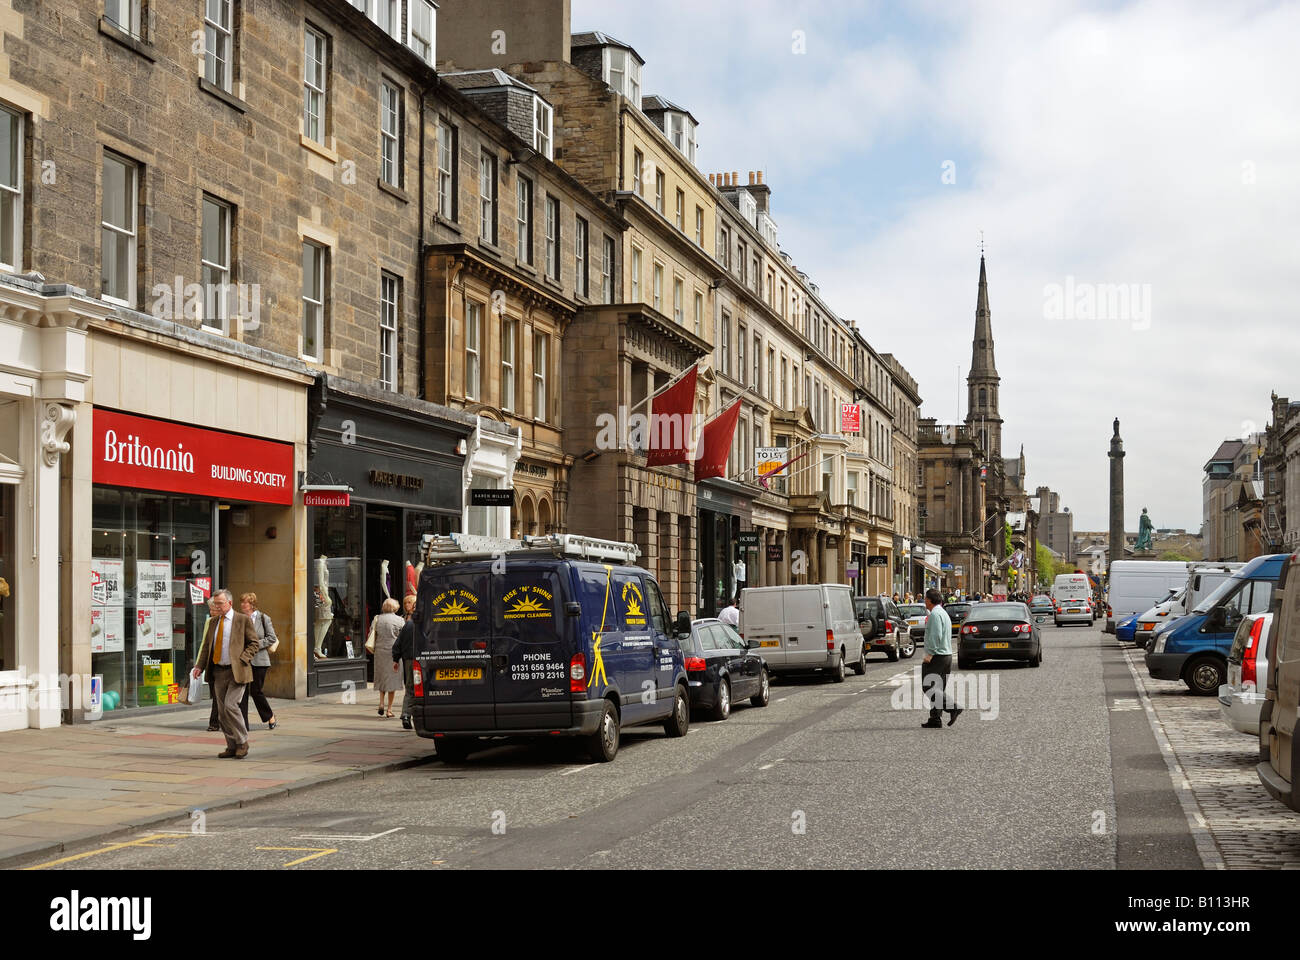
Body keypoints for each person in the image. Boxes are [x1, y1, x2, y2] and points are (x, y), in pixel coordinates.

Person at [192, 589, 260, 758]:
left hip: (237, 670)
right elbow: (207, 647)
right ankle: (231, 746)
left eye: (220, 603)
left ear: (229, 603)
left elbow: (254, 643)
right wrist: (199, 666)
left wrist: (244, 659)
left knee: (231, 705)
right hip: (218, 671)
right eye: (215, 603)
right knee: (222, 712)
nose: (217, 606)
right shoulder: (214, 622)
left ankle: (242, 741)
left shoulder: (242, 620)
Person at [921, 589, 960, 728]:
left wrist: (930, 654)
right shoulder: (943, 612)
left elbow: (936, 635)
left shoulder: (935, 614)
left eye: (925, 599)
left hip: (937, 656)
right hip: (946, 655)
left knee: (928, 686)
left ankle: (953, 707)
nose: (924, 601)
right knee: (938, 688)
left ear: (930, 600)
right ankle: (935, 718)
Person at [239, 593, 279, 730]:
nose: (243, 605)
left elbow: (272, 638)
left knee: (256, 691)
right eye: (242, 602)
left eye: (246, 602)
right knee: (242, 692)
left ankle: (270, 716)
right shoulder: (240, 619)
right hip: (243, 660)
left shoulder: (263, 618)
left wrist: (255, 644)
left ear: (252, 604)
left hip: (260, 661)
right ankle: (243, 724)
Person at [370, 598, 406, 718]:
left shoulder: (377, 619)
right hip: (393, 652)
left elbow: (372, 633)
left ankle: (381, 703)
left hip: (380, 651)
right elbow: (403, 636)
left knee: (382, 678)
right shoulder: (400, 620)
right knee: (392, 680)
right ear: (395, 608)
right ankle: (389, 710)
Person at [393, 594, 418, 729]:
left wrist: (395, 659)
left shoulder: (408, 624)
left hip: (408, 659)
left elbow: (398, 644)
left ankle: (406, 715)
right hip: (422, 659)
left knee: (410, 688)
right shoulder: (425, 624)